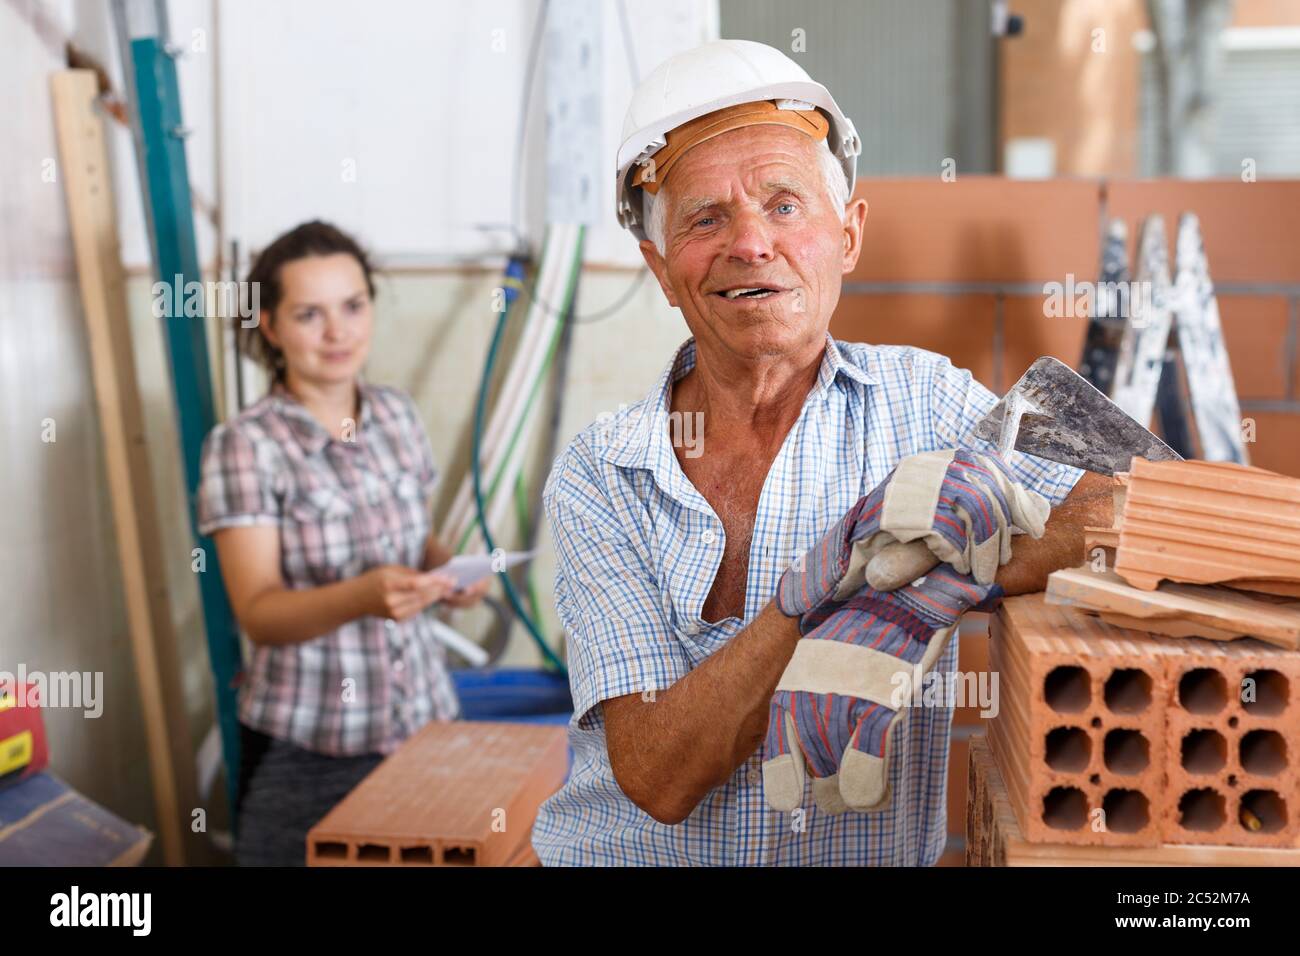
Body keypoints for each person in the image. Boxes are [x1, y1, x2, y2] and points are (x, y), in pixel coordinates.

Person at [532, 40, 1113, 865]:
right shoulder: (604, 468)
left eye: (785, 205)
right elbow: (660, 775)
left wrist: (927, 568)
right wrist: (822, 593)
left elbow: (1120, 507)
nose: (750, 243)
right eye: (706, 218)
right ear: (661, 271)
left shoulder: (926, 403)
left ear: (849, 235)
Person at [196, 220, 488, 866]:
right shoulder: (245, 446)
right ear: (269, 327)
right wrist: (362, 596)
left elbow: (419, 540)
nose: (339, 332)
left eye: (353, 306)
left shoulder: (396, 414)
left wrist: (453, 572)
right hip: (312, 748)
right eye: (309, 314)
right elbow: (261, 614)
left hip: (427, 728)